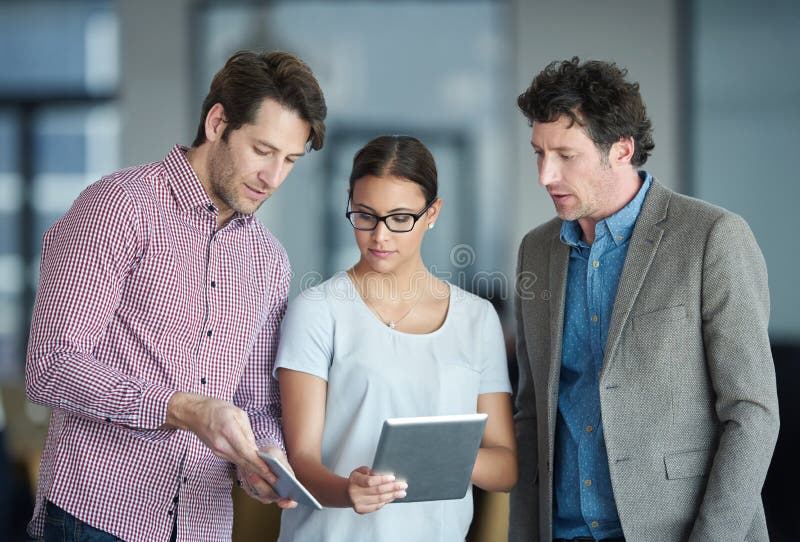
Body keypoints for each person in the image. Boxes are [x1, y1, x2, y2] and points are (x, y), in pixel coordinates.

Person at [25, 50, 327, 541]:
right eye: (263, 150)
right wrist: (183, 408)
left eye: (290, 160)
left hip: (202, 526)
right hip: (96, 516)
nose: (273, 178)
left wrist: (264, 461)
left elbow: (254, 402)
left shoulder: (270, 261)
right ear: (217, 122)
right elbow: (51, 366)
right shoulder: (118, 208)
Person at [509, 57, 779, 542]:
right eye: (538, 153)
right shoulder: (536, 250)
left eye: (566, 156)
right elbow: (532, 415)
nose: (545, 175)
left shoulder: (712, 238)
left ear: (622, 149)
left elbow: (752, 414)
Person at [274, 135, 517, 541]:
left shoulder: (477, 319)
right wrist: (348, 491)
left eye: (400, 218)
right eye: (365, 215)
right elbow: (301, 460)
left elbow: (505, 468)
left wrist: (442, 454)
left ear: (432, 213)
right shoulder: (317, 311)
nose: (379, 236)